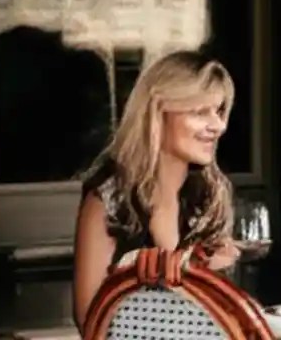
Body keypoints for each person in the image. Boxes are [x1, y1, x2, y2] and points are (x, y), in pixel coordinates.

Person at [72, 48, 241, 329]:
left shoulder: (210, 194)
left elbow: (218, 318)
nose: (218, 126)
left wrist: (213, 277)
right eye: (201, 112)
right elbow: (90, 321)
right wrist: (140, 275)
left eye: (220, 111)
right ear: (157, 113)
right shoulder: (110, 198)